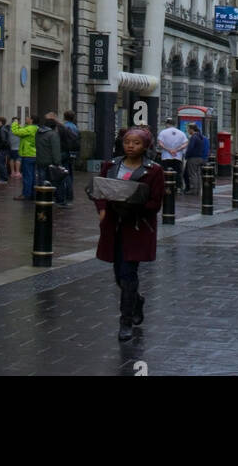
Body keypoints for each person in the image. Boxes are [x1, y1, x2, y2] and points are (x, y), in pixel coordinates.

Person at [93, 126, 164, 340]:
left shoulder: (154, 170)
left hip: (137, 227)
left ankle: (125, 323)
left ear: (145, 146)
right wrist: (103, 210)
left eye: (136, 143)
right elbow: (100, 191)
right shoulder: (111, 165)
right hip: (113, 227)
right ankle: (136, 300)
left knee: (127, 273)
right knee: (118, 275)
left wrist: (132, 203)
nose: (130, 146)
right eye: (127, 142)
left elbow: (155, 202)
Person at [36, 113, 64, 203]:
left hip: (40, 160)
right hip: (50, 162)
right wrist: (58, 163)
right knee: (54, 182)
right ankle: (57, 199)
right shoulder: (53, 135)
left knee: (42, 181)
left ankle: (42, 197)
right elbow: (55, 150)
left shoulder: (38, 133)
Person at [11, 114, 39, 200]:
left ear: (32, 120)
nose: (26, 118)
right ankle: (32, 194)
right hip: (34, 154)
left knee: (27, 176)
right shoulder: (35, 128)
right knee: (32, 176)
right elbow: (22, 130)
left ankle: (26, 194)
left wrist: (15, 123)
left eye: (28, 117)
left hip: (28, 154)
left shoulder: (30, 128)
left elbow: (16, 132)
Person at [156, 121, 188, 190]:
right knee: (178, 172)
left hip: (166, 157)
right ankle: (178, 187)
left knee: (165, 172)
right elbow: (185, 143)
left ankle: (166, 187)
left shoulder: (163, 132)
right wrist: (176, 150)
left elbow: (160, 143)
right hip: (177, 157)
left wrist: (168, 150)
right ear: (174, 124)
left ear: (167, 124)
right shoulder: (181, 133)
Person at [58, 110, 81, 205]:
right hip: (73, 153)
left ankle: (65, 195)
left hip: (64, 151)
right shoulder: (75, 127)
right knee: (70, 174)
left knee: (63, 174)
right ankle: (69, 195)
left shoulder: (65, 127)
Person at [184, 124, 204, 195]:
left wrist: (186, 155)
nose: (188, 130)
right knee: (198, 174)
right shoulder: (200, 136)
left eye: (188, 129)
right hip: (200, 158)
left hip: (193, 158)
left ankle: (193, 190)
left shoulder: (193, 137)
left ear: (192, 129)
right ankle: (198, 189)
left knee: (192, 174)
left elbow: (190, 148)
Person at [0, 117, 12, 183]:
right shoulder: (4, 128)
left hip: (1, 149)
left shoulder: (1, 129)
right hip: (4, 149)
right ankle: (3, 178)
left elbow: (3, 140)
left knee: (0, 164)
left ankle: (4, 179)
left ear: (0, 121)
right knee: (1, 163)